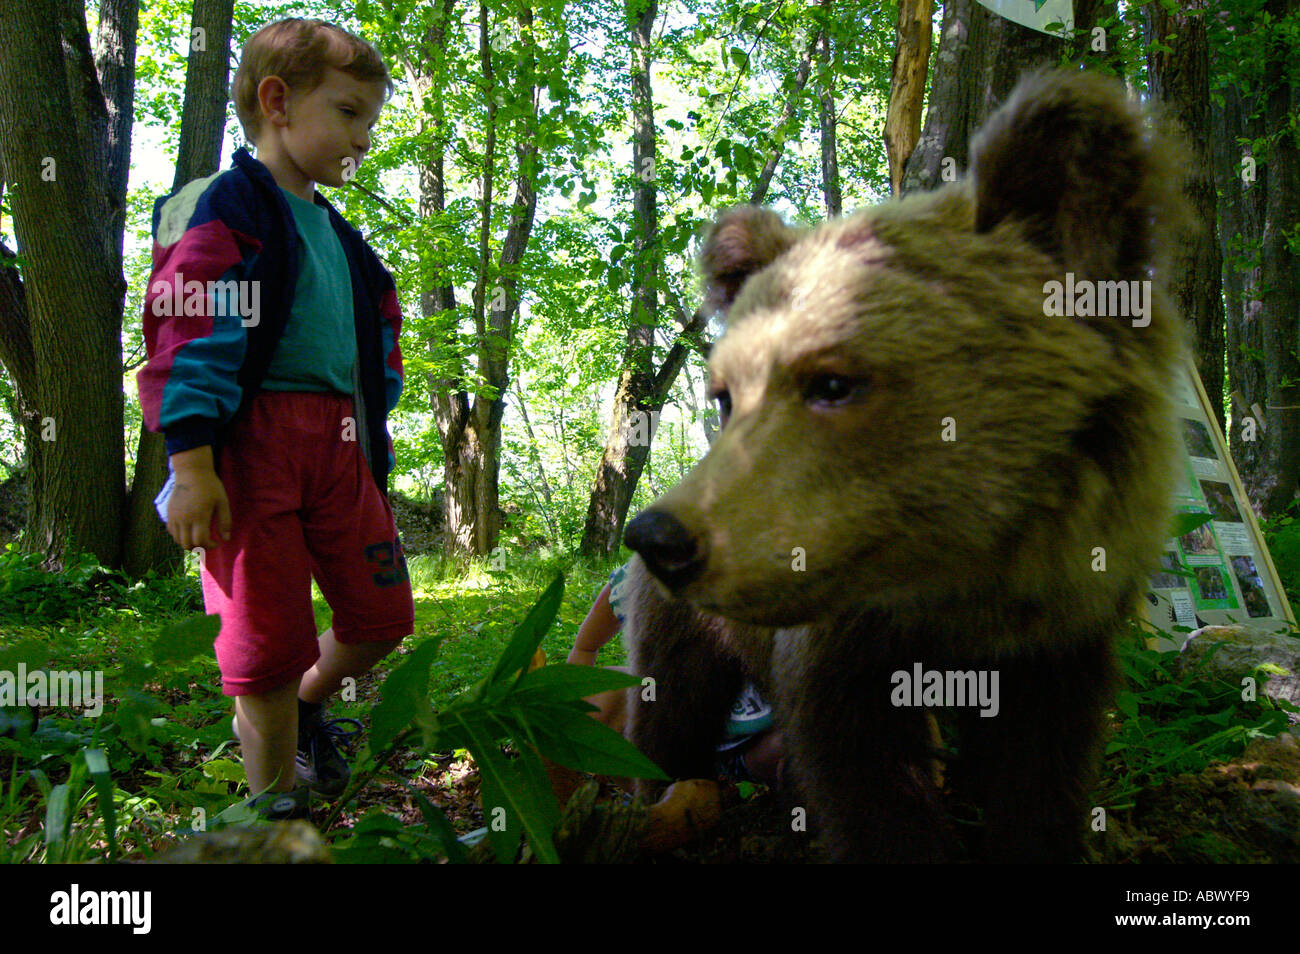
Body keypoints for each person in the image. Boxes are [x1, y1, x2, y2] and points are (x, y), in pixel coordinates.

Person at [137, 18, 412, 820]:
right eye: (350, 112)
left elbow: (377, 336)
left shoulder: (346, 239)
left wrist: (373, 417)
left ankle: (309, 707)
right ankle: (275, 813)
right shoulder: (229, 209)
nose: (364, 137)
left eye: (370, 119)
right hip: (251, 449)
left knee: (382, 616)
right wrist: (192, 464)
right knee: (260, 650)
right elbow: (187, 329)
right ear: (277, 102)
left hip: (340, 449)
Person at [568, 563, 783, 785]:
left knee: (785, 745)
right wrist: (568, 708)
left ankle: (731, 780)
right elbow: (585, 647)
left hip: (757, 744)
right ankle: (649, 789)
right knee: (605, 696)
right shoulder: (638, 581)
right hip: (666, 739)